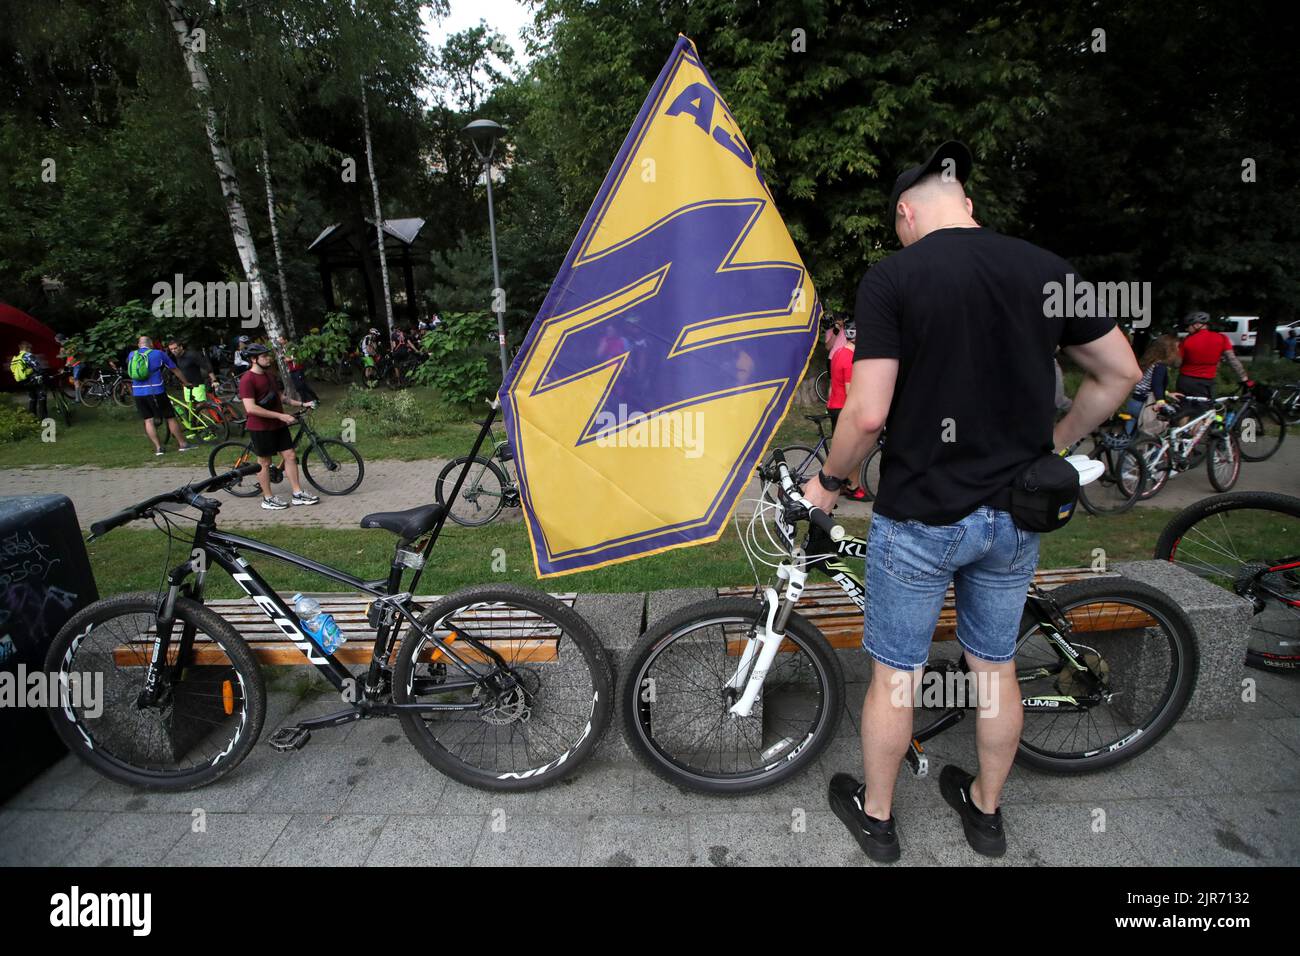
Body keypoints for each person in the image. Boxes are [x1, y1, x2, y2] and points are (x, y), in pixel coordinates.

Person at [802, 141, 1140, 862]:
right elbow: (1120, 372)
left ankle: (880, 818)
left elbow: (865, 416)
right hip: (1016, 515)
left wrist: (827, 485)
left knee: (898, 672)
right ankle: (986, 814)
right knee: (991, 665)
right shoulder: (1046, 269)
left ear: (905, 213)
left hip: (923, 515)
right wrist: (1056, 439)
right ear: (967, 204)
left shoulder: (894, 277)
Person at [238, 343, 319, 510]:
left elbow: (281, 398)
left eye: (268, 355)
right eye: (264, 356)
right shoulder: (247, 379)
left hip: (278, 425)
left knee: (289, 455)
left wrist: (303, 403)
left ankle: (297, 493)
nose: (268, 358)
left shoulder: (269, 375)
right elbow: (250, 408)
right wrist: (281, 415)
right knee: (264, 462)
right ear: (254, 359)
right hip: (260, 427)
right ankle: (267, 498)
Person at [128, 336, 194, 456]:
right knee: (170, 417)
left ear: (139, 345)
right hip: (156, 391)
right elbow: (175, 369)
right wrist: (186, 382)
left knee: (148, 420)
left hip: (138, 392)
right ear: (151, 344)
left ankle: (159, 448)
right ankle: (183, 444)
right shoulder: (159, 354)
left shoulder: (132, 355)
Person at [827, 323, 868, 501]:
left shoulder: (837, 354)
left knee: (842, 449)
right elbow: (850, 390)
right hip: (845, 408)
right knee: (855, 450)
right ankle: (853, 486)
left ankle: (842, 483)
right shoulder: (851, 359)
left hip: (834, 405)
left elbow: (831, 383)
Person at [1176, 311, 1251, 404]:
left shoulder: (1186, 341)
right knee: (1205, 411)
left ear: (1197, 325)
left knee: (1184, 409)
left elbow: (1177, 362)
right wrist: (1244, 378)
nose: (1187, 329)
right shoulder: (1221, 338)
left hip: (1185, 380)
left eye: (1189, 326)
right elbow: (1233, 360)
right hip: (1207, 381)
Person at [1124, 334, 1179, 434]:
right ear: (1169, 350)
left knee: (1129, 434)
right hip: (1145, 404)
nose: (1178, 350)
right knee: (1146, 436)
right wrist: (1160, 401)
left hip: (1133, 401)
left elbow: (1147, 383)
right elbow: (1156, 384)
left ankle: (1122, 449)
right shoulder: (1160, 365)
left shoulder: (1149, 362)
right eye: (1176, 347)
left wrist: (1167, 393)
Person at [168, 340, 218, 404]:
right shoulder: (175, 357)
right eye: (171, 349)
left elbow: (206, 367)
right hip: (187, 386)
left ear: (181, 347)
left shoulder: (192, 355)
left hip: (197, 385)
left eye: (175, 348)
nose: (173, 351)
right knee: (191, 407)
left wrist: (214, 380)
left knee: (201, 407)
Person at [8, 341, 45, 420]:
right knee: (41, 397)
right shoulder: (28, 355)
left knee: (32, 398)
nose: (31, 350)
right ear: (26, 348)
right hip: (34, 380)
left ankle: (32, 418)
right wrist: (43, 374)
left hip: (24, 381)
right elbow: (37, 367)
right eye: (30, 348)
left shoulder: (16, 357)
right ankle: (43, 418)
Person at [278, 336, 319, 404]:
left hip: (298, 368)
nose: (280, 341)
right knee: (298, 387)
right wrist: (283, 357)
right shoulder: (283, 348)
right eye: (279, 340)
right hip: (292, 370)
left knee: (302, 385)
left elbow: (298, 356)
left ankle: (315, 399)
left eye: (281, 339)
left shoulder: (292, 346)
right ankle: (305, 403)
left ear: (286, 340)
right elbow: (285, 358)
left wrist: (289, 359)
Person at [55, 334, 83, 404]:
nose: (57, 342)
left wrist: (68, 363)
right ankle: (89, 386)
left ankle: (77, 399)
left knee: (76, 381)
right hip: (73, 364)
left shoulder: (69, 344)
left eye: (57, 340)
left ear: (60, 339)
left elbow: (73, 355)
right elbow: (66, 356)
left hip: (77, 363)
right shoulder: (64, 346)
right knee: (76, 379)